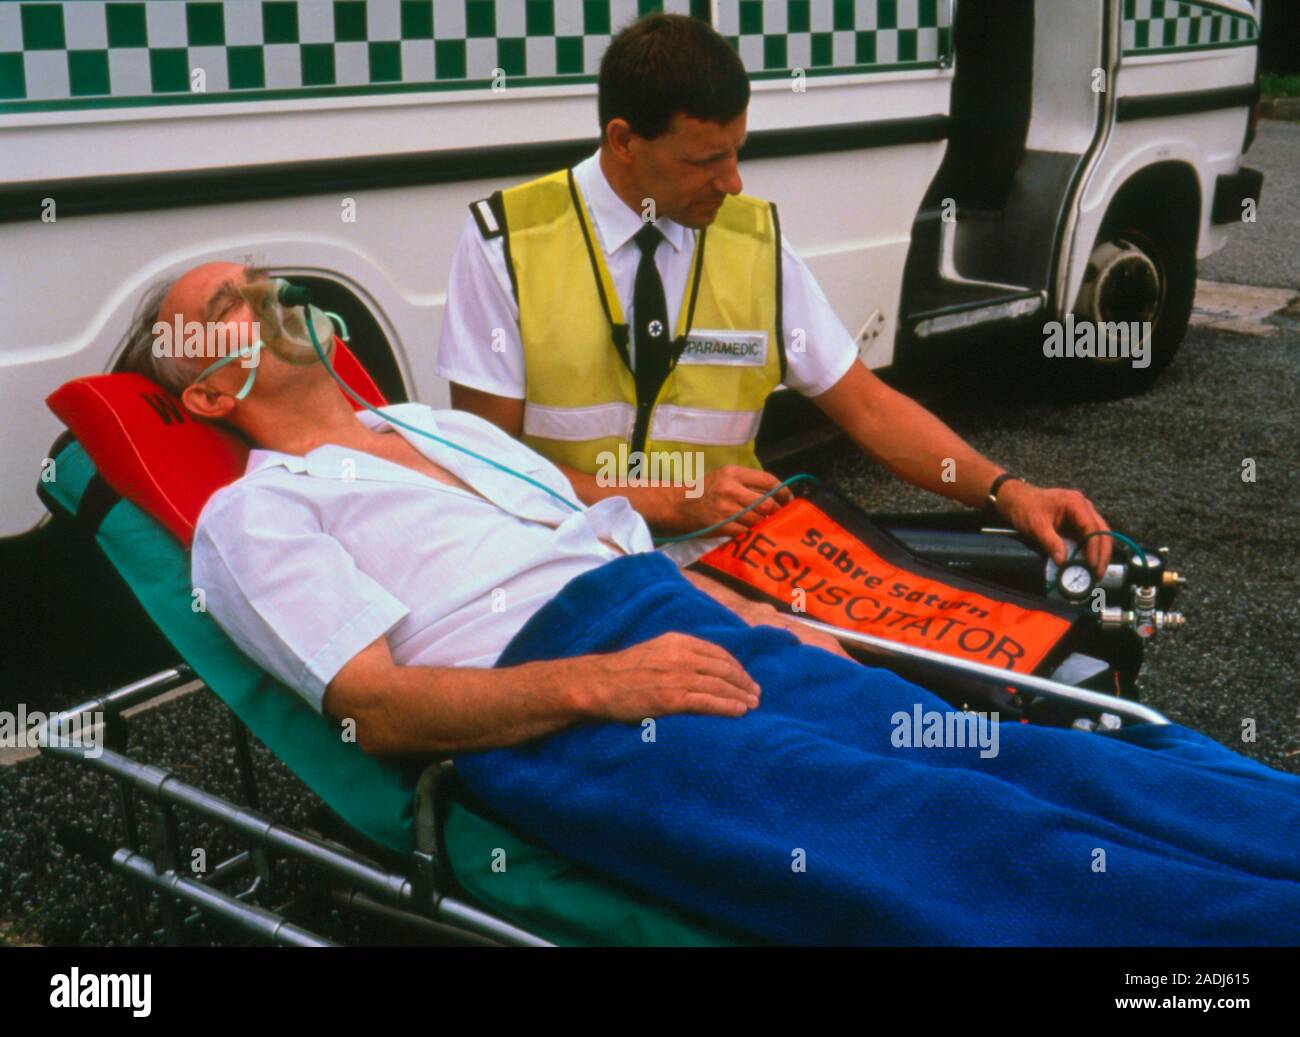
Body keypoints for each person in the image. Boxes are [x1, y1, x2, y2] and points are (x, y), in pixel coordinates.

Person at [121, 261, 1300, 946]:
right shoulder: (253, 515)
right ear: (213, 384)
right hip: (566, 705)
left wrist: (743, 606)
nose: (268, 282)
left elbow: (582, 519)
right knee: (949, 835)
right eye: (232, 296)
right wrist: (596, 682)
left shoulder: (428, 425)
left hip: (686, 622)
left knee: (1038, 753)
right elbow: (371, 708)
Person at [438, 12, 1115, 577]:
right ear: (624, 142)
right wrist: (666, 501)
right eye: (705, 160)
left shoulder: (752, 241)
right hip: (562, 573)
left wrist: (1007, 492)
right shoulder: (505, 242)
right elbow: (490, 470)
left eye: (737, 151)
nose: (732, 182)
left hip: (726, 569)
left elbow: (870, 407)